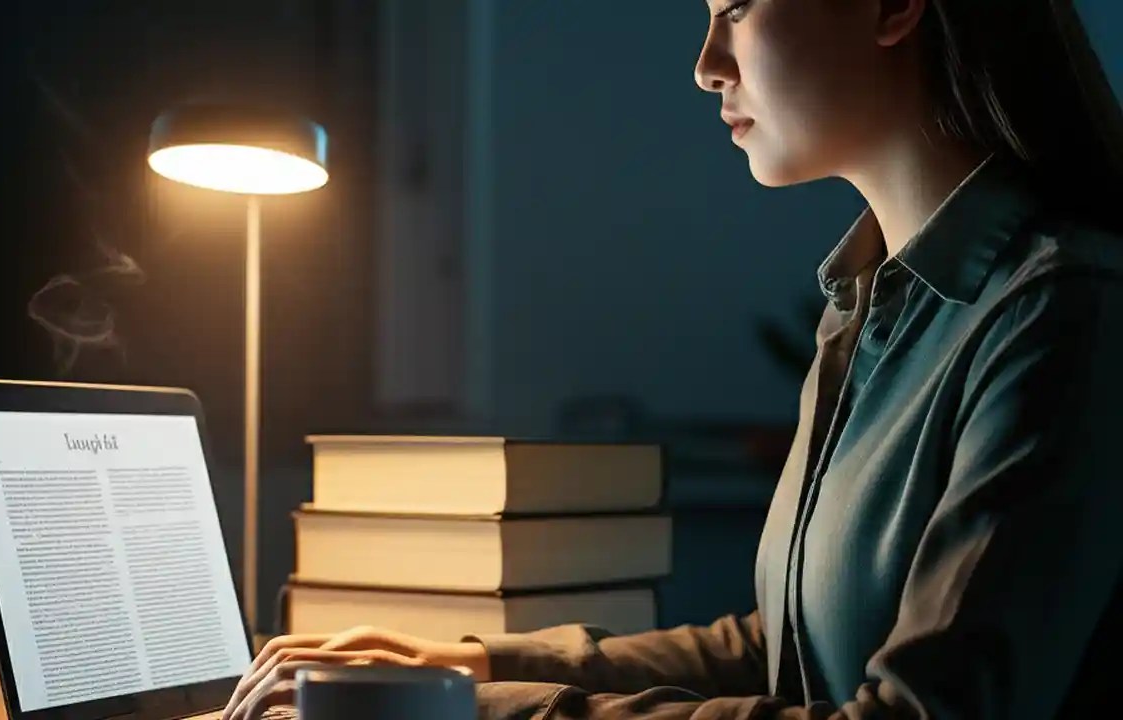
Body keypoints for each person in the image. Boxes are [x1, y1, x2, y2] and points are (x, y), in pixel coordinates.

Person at [223, 0, 1123, 717]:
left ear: (891, 6)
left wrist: (477, 709)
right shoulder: (867, 303)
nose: (705, 65)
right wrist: (467, 662)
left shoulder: (1061, 314)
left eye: (734, 9)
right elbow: (781, 650)